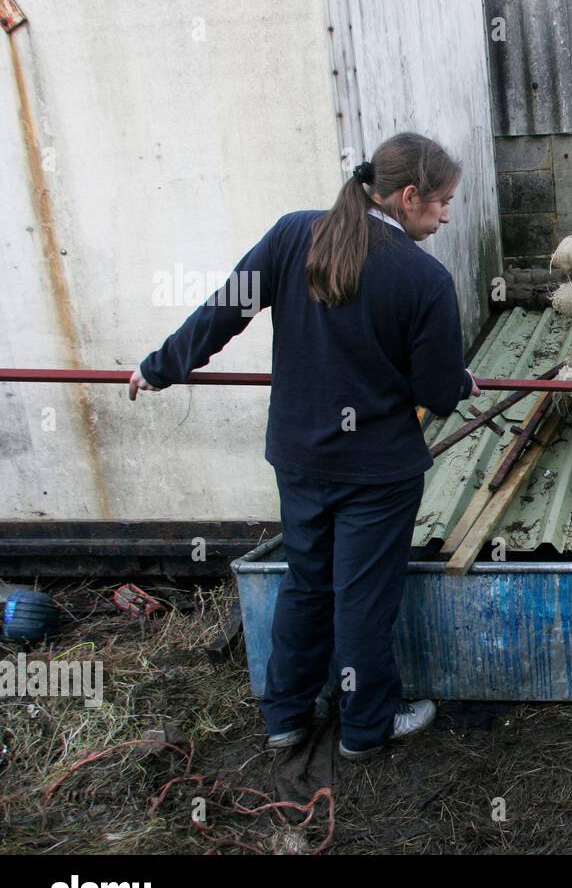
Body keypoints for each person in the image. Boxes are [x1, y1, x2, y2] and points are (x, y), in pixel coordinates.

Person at [131, 132, 480, 761]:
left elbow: (225, 310)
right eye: (444, 202)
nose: (448, 214)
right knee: (363, 598)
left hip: (299, 457)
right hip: (378, 472)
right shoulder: (425, 279)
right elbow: (438, 390)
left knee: (305, 583)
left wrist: (160, 366)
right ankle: (368, 727)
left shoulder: (294, 234)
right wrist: (459, 378)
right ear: (408, 197)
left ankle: (287, 717)